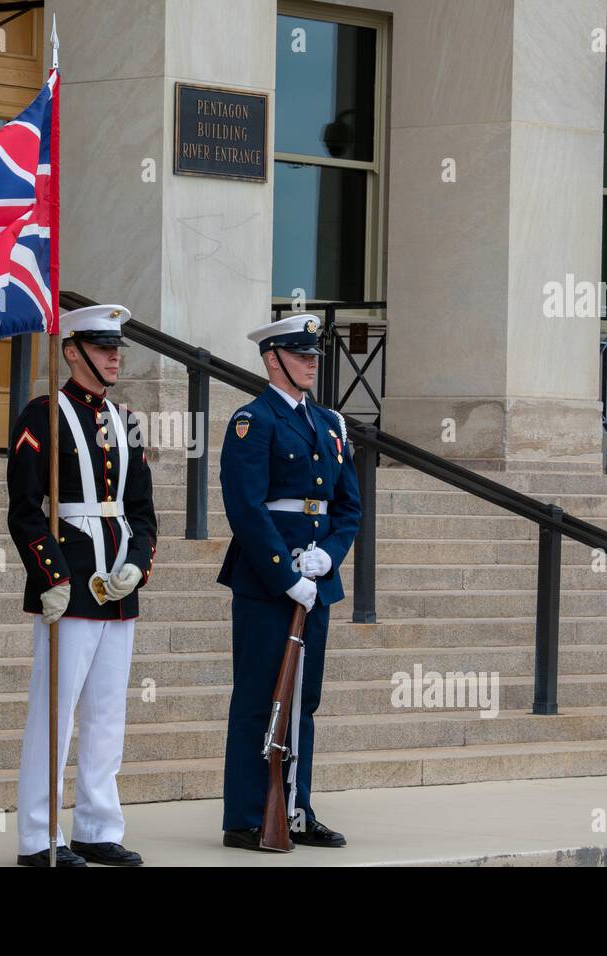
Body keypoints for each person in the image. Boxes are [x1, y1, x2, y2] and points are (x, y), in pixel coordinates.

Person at [7, 304, 158, 867]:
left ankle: (97, 825)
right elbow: (25, 510)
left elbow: (142, 511)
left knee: (106, 713)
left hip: (118, 584)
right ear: (71, 351)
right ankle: (40, 836)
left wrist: (137, 564)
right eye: (101, 346)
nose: (114, 355)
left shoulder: (125, 419)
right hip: (67, 580)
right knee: (55, 714)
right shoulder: (41, 414)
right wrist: (51, 575)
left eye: (116, 346)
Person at [217, 312, 362, 852]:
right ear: (272, 359)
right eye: (301, 355)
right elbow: (246, 510)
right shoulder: (252, 421)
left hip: (316, 580)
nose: (311, 363)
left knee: (305, 698)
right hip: (266, 582)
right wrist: (285, 576)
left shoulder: (329, 424)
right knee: (260, 695)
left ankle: (297, 806)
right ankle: (247, 814)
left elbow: (347, 506)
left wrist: (327, 556)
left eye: (314, 356)